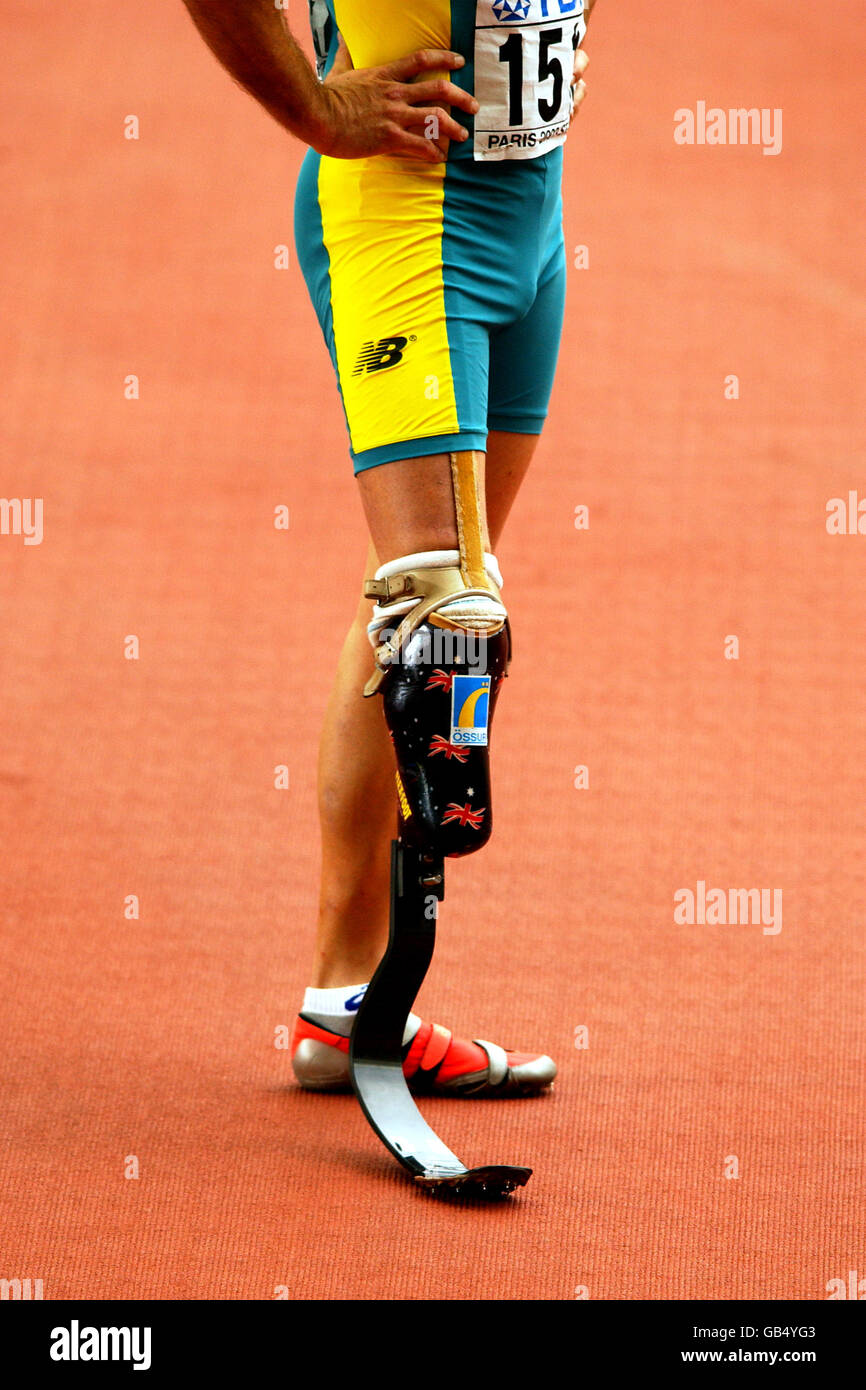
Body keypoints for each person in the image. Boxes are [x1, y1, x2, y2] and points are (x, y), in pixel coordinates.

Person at [182, 0, 595, 1097]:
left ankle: (338, 1005)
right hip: (405, 222)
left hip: (528, 217)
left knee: (439, 598)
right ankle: (368, 995)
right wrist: (313, 104)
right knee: (440, 619)